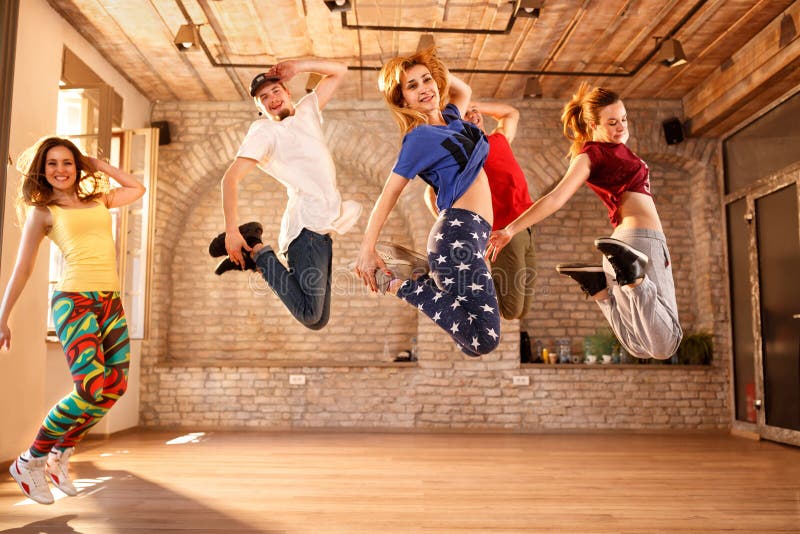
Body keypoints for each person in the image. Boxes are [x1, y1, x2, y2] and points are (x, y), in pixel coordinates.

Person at [487, 83, 682, 360]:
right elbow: (555, 198)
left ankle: (598, 289)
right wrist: (510, 229)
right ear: (593, 124)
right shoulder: (591, 155)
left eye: (624, 119)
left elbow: (557, 195)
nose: (621, 127)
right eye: (612, 122)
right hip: (642, 244)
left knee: (639, 347)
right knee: (666, 345)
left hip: (621, 248)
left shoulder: (601, 151)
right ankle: (635, 279)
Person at [1, 137, 145, 504]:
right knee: (89, 388)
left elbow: (137, 188)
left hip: (110, 301)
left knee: (115, 385)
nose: (60, 170)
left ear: (77, 167)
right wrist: (3, 317)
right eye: (52, 164)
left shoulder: (98, 200)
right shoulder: (43, 211)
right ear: (42, 170)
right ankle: (30, 460)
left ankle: (60, 452)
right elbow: (23, 267)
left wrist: (98, 165)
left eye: (67, 162)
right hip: (74, 302)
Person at [354, 47, 501, 357]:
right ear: (401, 99)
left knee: (470, 346)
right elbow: (389, 193)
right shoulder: (418, 139)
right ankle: (401, 286)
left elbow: (464, 90)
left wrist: (432, 69)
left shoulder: (452, 118)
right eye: (412, 86)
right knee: (484, 341)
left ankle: (421, 280)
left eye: (427, 80)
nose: (424, 89)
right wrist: (367, 248)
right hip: (456, 236)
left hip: (473, 238)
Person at [209, 58, 361, 330]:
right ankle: (255, 250)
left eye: (276, 91)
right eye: (263, 97)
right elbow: (229, 179)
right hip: (305, 228)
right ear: (260, 107)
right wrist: (231, 231)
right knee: (309, 315)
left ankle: (256, 256)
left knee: (318, 320)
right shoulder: (265, 132)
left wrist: (298, 66)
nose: (272, 99)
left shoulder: (307, 112)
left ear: (288, 91)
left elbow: (340, 71)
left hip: (323, 230)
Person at [424, 102, 536, 320]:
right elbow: (429, 193)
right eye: (465, 115)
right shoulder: (466, 157)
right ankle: (462, 288)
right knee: (511, 311)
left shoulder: (499, 139)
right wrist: (455, 226)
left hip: (526, 229)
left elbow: (511, 112)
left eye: (473, 111)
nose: (473, 115)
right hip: (502, 234)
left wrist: (475, 105)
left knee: (522, 311)